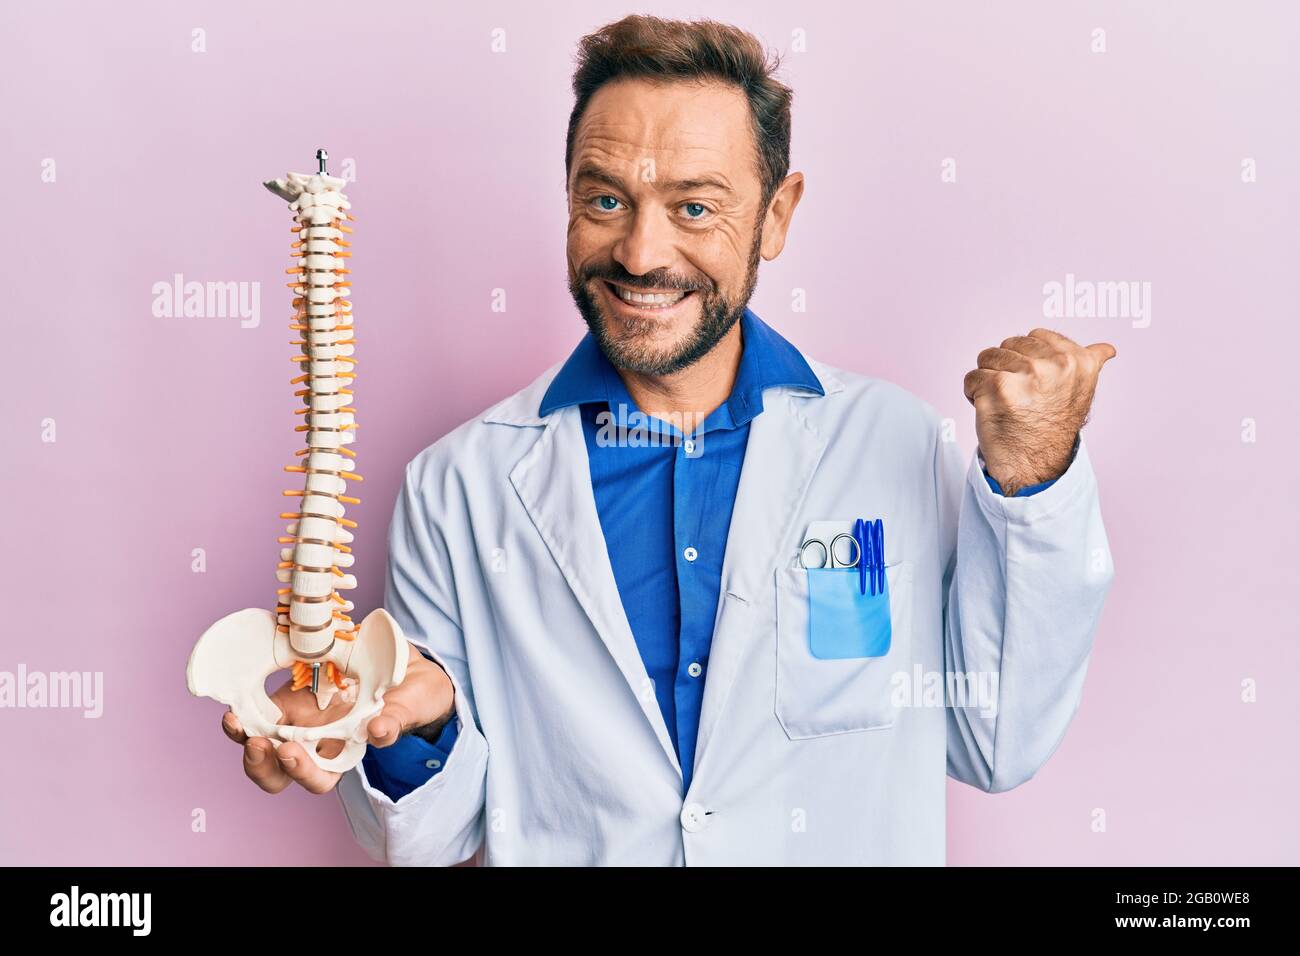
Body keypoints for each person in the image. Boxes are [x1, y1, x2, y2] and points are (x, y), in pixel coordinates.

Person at [221, 14, 1115, 865]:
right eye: (606, 199)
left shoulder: (893, 445)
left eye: (694, 208)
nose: (643, 255)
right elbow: (423, 840)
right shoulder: (458, 487)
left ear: (776, 213)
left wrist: (1036, 478)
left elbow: (993, 737)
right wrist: (415, 731)